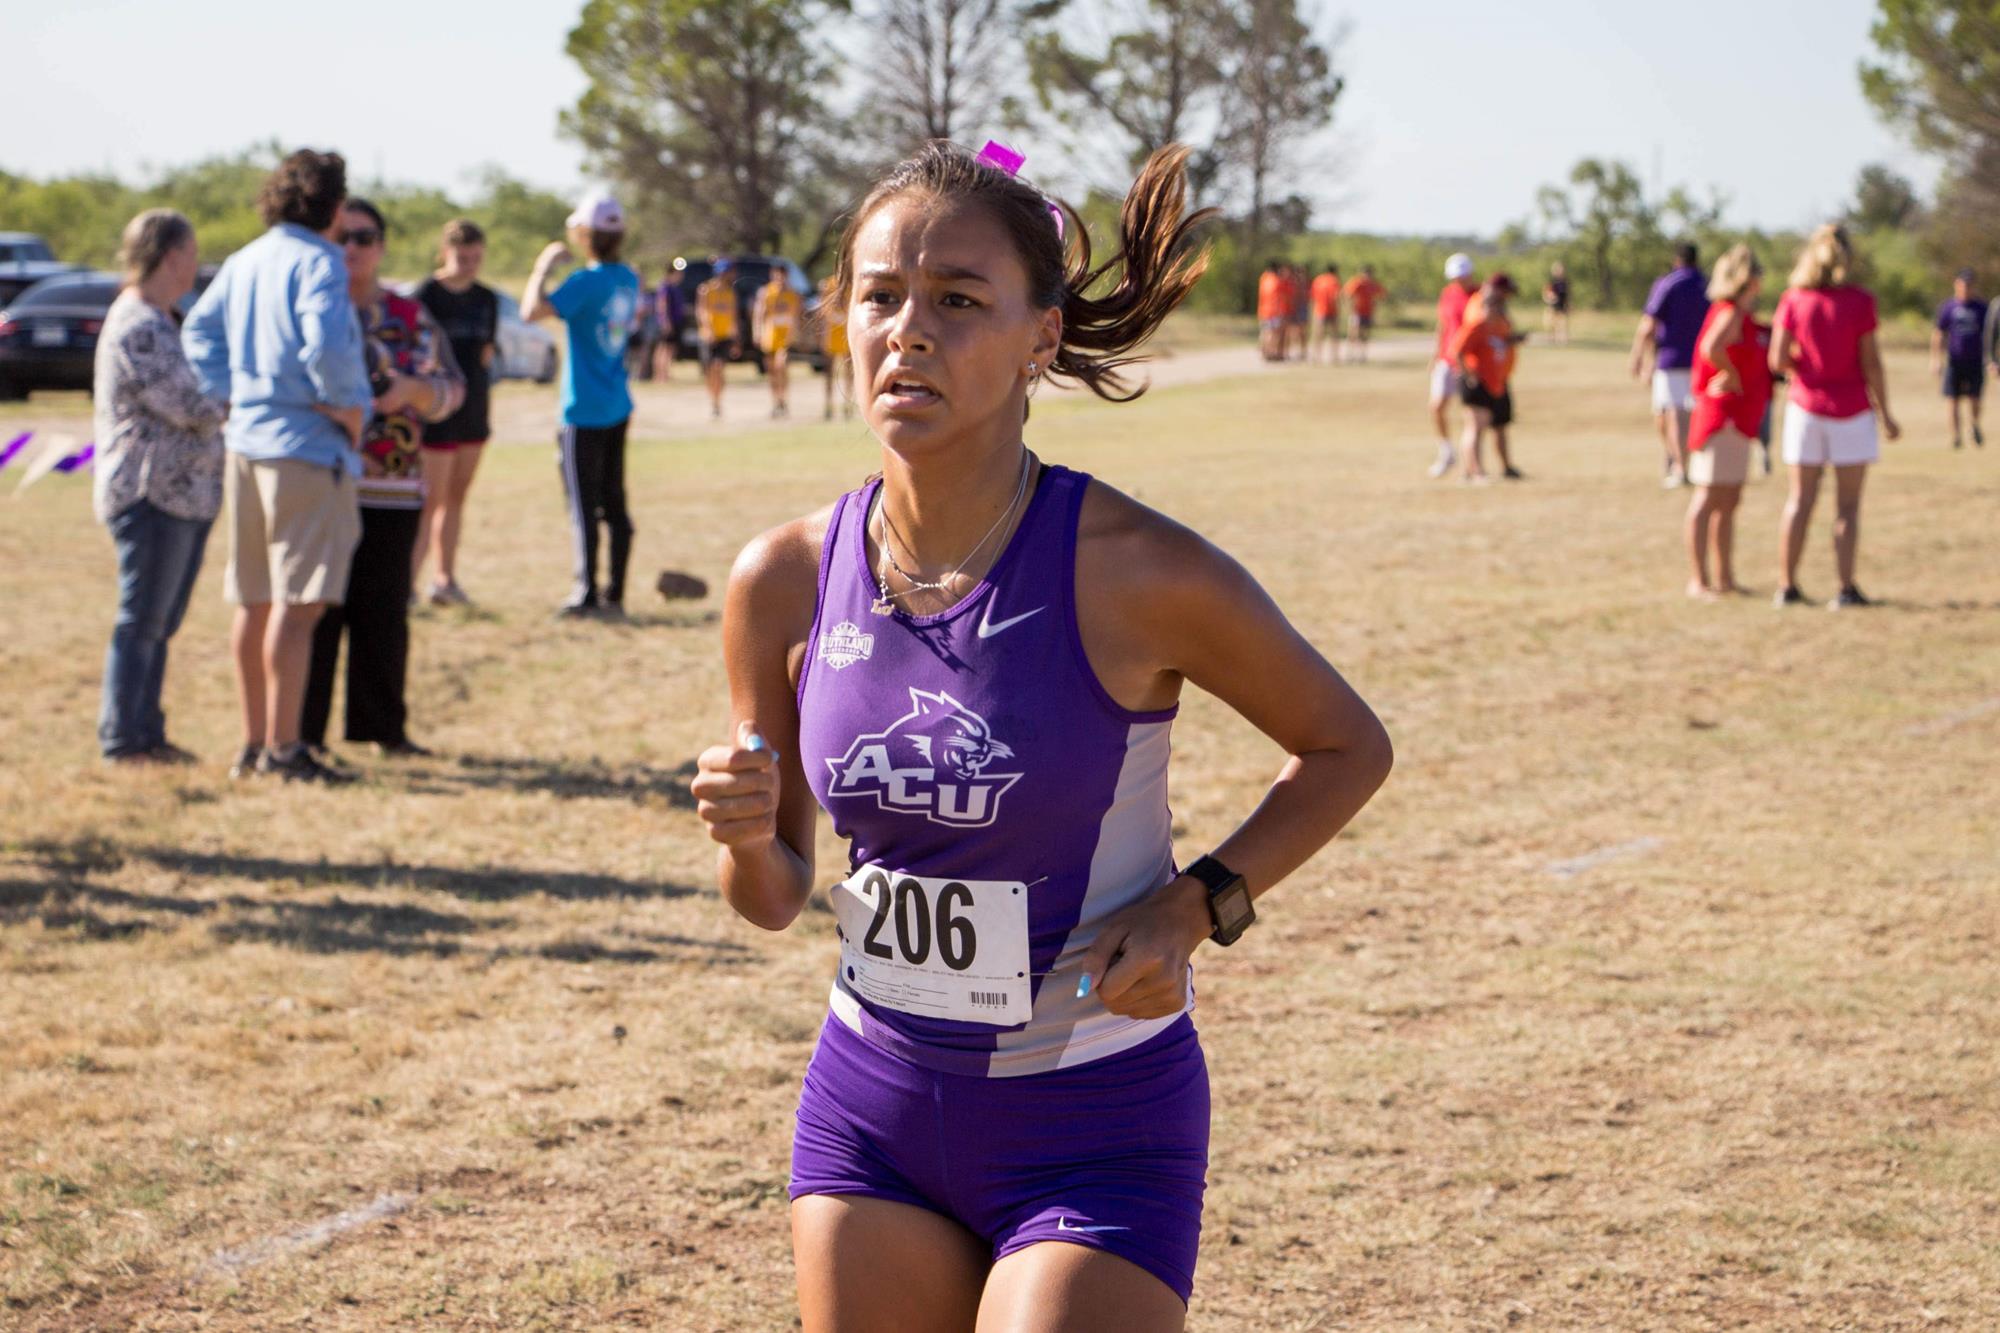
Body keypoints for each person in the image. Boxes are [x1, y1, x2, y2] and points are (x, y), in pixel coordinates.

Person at [689, 140, 1392, 1331]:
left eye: (958, 300)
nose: (909, 331)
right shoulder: (783, 577)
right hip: (874, 1111)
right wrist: (749, 840)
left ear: (1039, 338)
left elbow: (1344, 746)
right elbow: (770, 896)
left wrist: (1195, 902)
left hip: (1093, 1116)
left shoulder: (1136, 569)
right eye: (879, 297)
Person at [182, 147, 371, 784]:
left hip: (248, 443)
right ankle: (285, 751)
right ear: (335, 206)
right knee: (298, 604)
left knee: (255, 600)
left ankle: (254, 743)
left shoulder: (246, 258)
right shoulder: (320, 261)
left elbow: (198, 333)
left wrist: (233, 392)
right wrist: (348, 407)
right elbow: (325, 343)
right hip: (306, 448)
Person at [301, 198, 463, 759]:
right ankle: (302, 735)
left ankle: (382, 729)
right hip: (319, 481)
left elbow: (453, 390)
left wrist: (414, 393)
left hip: (393, 488)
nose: (352, 249)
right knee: (316, 611)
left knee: (384, 611)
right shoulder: (308, 309)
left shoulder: (409, 315)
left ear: (382, 246)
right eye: (341, 236)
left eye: (365, 237)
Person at [93, 209, 227, 765]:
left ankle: (147, 733)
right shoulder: (140, 325)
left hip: (181, 495)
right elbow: (190, 405)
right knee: (143, 620)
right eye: (191, 253)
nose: (196, 266)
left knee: (158, 622)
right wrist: (245, 394)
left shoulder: (160, 317)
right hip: (152, 496)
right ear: (170, 256)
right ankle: (125, 739)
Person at [523, 192, 642, 618]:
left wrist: (542, 267)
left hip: (582, 410)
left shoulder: (584, 282)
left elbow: (530, 311)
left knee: (583, 505)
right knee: (614, 502)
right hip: (616, 404)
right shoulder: (627, 278)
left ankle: (586, 593)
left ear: (585, 235)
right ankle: (616, 593)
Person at [1770, 224, 1899, 608]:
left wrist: (1806, 368)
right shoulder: (1860, 302)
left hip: (1804, 409)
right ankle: (1845, 588)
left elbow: (1776, 358)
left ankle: (1786, 586)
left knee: (1800, 499)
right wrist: (1886, 413)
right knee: (1847, 506)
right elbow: (1871, 362)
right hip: (1851, 411)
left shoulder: (1794, 299)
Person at [413, 218, 498, 606]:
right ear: (445, 253)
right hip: (435, 411)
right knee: (428, 499)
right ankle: (405, 585)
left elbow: (485, 354)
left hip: (474, 408)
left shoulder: (487, 299)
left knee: (456, 497)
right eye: (462, 257)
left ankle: (444, 580)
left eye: (476, 257)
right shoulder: (425, 296)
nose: (469, 264)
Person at [1684, 245, 1771, 600]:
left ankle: (1725, 578)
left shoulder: (1738, 314)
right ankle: (1699, 580)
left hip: (1738, 419)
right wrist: (1730, 374)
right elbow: (1711, 347)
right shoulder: (1730, 312)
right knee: (1708, 498)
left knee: (1729, 500)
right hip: (1723, 418)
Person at [1631, 243, 1710, 488]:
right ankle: (1683, 460)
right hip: (1702, 360)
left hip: (1672, 359)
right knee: (1688, 414)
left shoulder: (1669, 283)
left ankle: (1680, 466)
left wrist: (1637, 355)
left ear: (1677, 260)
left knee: (1672, 414)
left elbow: (1649, 322)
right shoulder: (1708, 284)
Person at [1450, 273, 1524, 483]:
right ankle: (1474, 471)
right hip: (1478, 380)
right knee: (1475, 427)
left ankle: (1505, 467)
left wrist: (1512, 340)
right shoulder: (1477, 320)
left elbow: (1499, 342)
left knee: (1499, 426)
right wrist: (1469, 374)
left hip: (1498, 380)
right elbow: (1458, 350)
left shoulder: (1500, 322)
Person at [1428, 253, 1478, 479]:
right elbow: (1443, 325)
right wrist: (1436, 354)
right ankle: (1446, 451)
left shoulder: (1478, 295)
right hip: (1447, 359)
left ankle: (1472, 465)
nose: (1458, 280)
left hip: (1469, 360)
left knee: (1471, 414)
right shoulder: (1448, 294)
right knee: (1436, 406)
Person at [1931, 268, 1988, 449]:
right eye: (1962, 285)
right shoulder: (1948, 307)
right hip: (1954, 361)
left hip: (1976, 361)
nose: (1966, 289)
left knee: (1975, 399)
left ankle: (1974, 424)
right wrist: (1936, 359)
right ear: (1956, 285)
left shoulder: (1982, 308)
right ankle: (1956, 436)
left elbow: (1992, 334)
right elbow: (1939, 333)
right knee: (1952, 400)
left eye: (1969, 285)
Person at [754, 267, 804, 419]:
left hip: (786, 338)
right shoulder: (766, 292)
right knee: (772, 372)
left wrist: (797, 334)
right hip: (770, 337)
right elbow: (759, 314)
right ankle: (776, 401)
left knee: (781, 366)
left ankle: (784, 399)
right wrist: (757, 332)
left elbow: (798, 316)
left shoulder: (793, 294)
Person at [696, 258, 741, 419]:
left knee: (718, 367)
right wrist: (708, 330)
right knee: (710, 371)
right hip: (708, 337)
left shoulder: (730, 292)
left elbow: (733, 316)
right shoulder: (706, 289)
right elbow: (701, 311)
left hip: (725, 336)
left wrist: (736, 339)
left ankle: (718, 401)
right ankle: (713, 401)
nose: (733, 275)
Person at [818, 273, 852, 421]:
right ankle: (828, 404)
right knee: (829, 372)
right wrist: (821, 335)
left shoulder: (851, 283)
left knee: (848, 372)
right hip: (831, 334)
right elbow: (822, 310)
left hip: (846, 334)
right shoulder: (828, 283)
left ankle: (847, 403)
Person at [1342, 265, 1386, 364]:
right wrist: (1350, 308)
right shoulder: (1356, 283)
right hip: (1356, 312)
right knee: (1353, 333)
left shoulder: (1373, 285)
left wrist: (1376, 304)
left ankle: (1362, 355)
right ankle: (1350, 354)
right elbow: (1347, 294)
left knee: (1365, 334)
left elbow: (1382, 294)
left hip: (1368, 312)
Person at [655, 265, 689, 383]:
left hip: (676, 322)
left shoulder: (675, 287)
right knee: (664, 348)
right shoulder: (665, 286)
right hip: (668, 323)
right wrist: (665, 322)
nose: (681, 275)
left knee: (671, 348)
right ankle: (660, 375)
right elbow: (662, 305)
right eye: (679, 273)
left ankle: (666, 372)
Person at [1308, 263, 1341, 365]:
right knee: (1333, 335)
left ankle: (1316, 356)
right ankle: (1334, 357)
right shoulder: (1335, 280)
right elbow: (1336, 296)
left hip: (1319, 310)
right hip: (1332, 311)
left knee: (1318, 335)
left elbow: (1312, 297)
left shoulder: (1318, 280)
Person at [1255, 258, 1286, 361]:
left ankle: (1264, 352)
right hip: (1274, 312)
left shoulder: (1263, 278)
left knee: (1264, 332)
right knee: (1272, 333)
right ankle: (1270, 353)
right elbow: (1280, 297)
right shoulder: (1277, 280)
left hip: (1263, 310)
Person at [1541, 260, 1570, 344]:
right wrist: (1549, 298)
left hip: (1562, 305)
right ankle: (1551, 338)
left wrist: (1568, 304)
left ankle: (1563, 339)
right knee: (1551, 323)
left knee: (1562, 323)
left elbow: (1567, 294)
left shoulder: (1565, 282)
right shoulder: (1551, 281)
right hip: (1552, 305)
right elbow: (1546, 292)